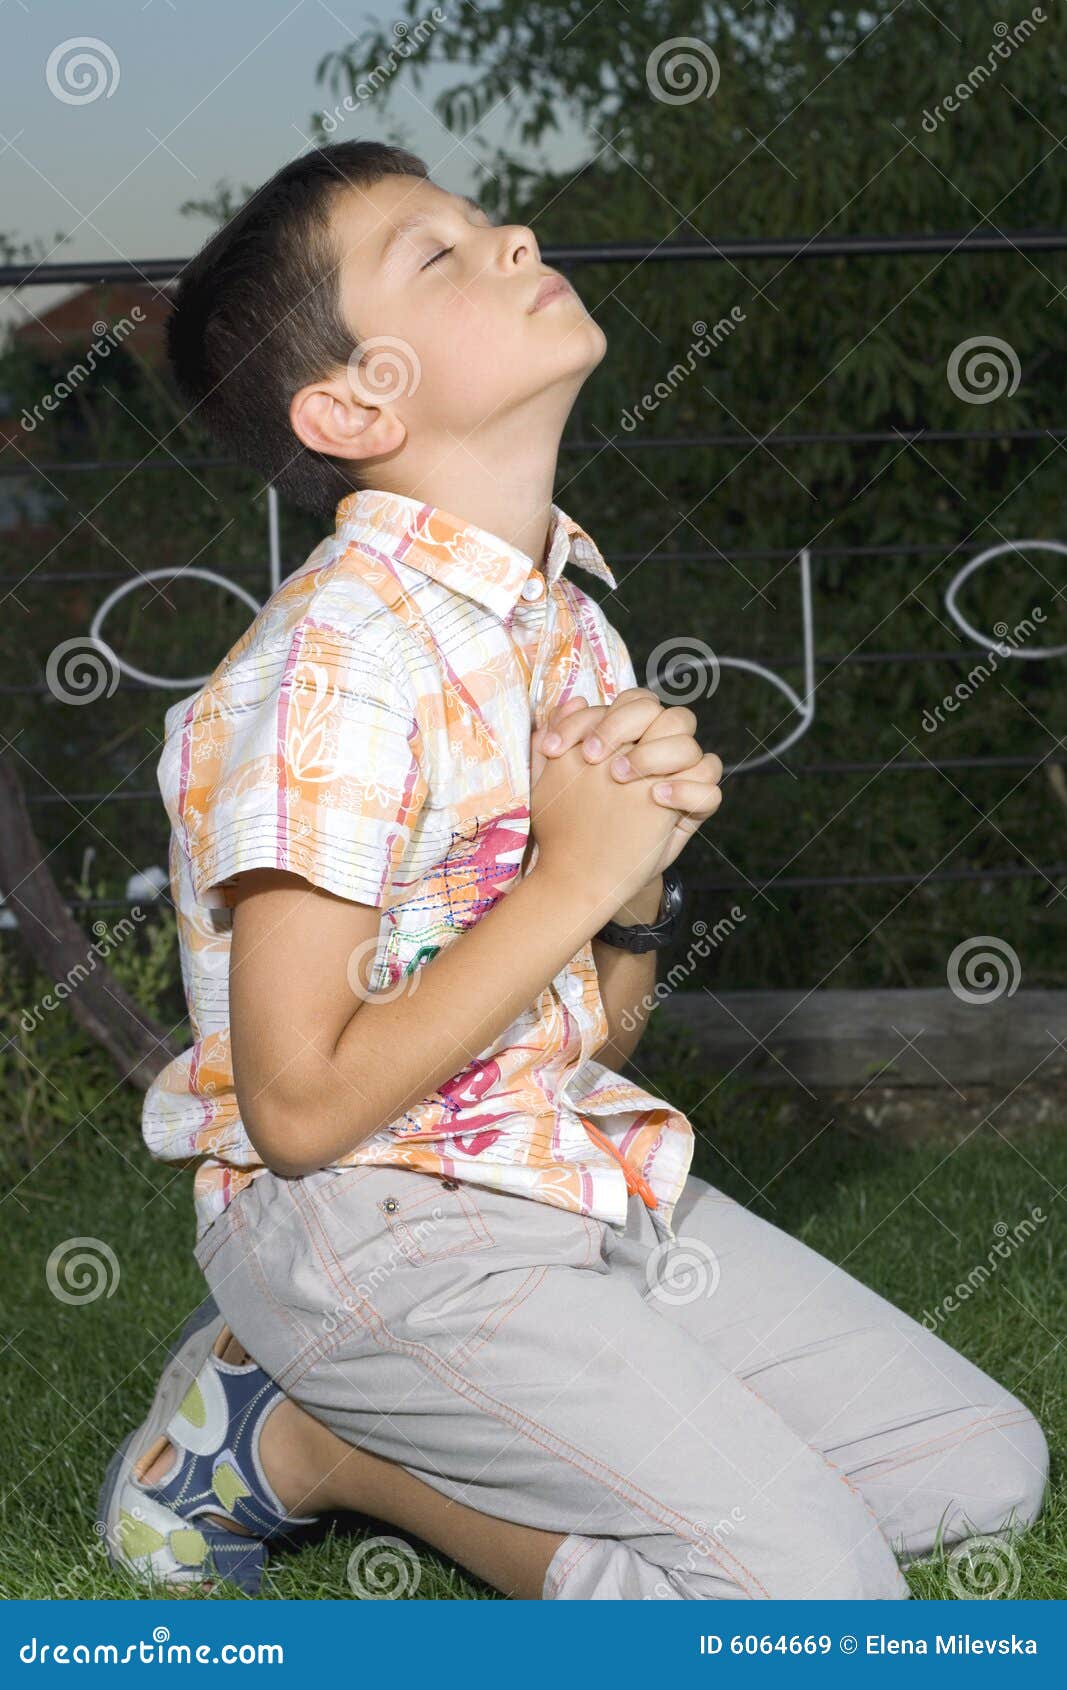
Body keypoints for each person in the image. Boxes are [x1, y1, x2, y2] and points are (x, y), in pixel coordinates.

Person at [98, 141, 1048, 1600]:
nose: (514, 236)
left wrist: (636, 892)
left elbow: (585, 1041)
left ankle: (333, 1411)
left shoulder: (565, 629)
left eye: (486, 220)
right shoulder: (329, 668)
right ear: (353, 402)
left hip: (557, 1174)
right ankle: (314, 1442)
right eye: (438, 252)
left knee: (980, 1465)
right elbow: (293, 1109)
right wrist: (567, 879)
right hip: (370, 1222)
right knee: (824, 1600)